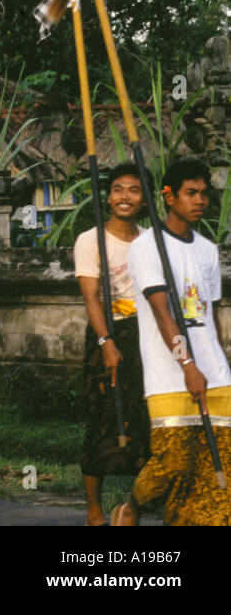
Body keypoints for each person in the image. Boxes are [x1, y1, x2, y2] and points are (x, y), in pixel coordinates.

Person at [114, 158, 231, 526]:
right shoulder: (147, 247)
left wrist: (219, 359)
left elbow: (211, 317)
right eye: (190, 193)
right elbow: (164, 314)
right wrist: (187, 364)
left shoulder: (208, 249)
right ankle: (132, 505)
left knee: (217, 466)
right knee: (173, 461)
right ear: (168, 196)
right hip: (170, 373)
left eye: (204, 194)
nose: (200, 201)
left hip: (215, 373)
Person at [73, 162, 150, 526]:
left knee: (145, 422)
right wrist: (106, 342)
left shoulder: (151, 242)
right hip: (108, 334)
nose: (125, 197)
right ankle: (94, 510)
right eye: (118, 189)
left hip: (146, 337)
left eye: (133, 190)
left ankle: (133, 506)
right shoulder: (91, 241)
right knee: (102, 419)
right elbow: (91, 298)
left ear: (145, 198)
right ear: (108, 194)